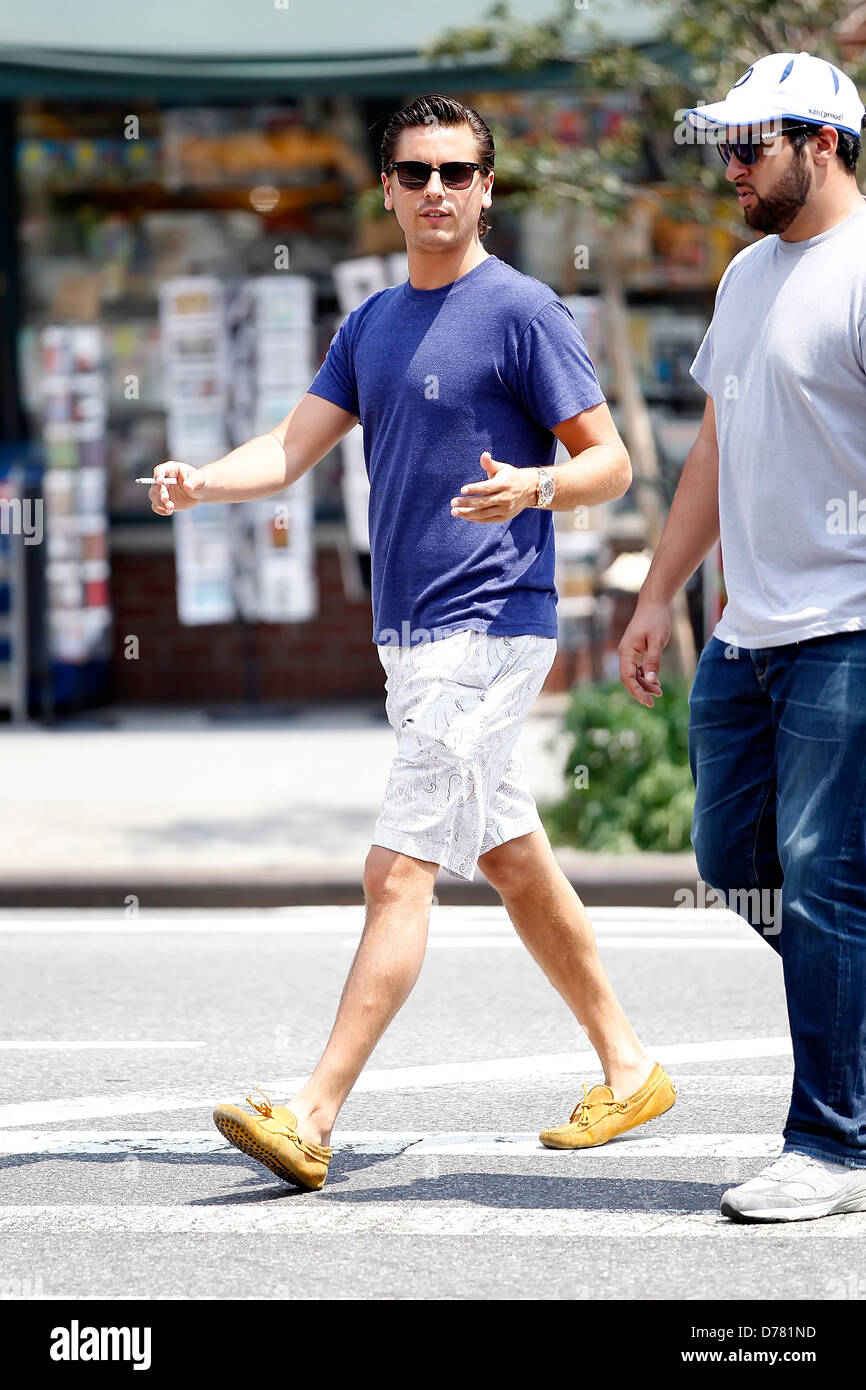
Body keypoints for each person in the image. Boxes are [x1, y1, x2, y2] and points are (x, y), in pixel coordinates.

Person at [149, 94, 676, 1191]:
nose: (435, 188)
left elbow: (611, 464)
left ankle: (312, 1113)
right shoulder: (370, 326)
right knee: (507, 856)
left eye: (455, 171)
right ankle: (629, 1067)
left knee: (397, 871)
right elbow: (289, 451)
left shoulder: (524, 311)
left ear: (487, 187)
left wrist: (535, 485)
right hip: (413, 635)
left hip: (488, 623)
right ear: (386, 190)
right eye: (414, 171)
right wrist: (201, 481)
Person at [619, 52, 866, 1223]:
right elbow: (714, 449)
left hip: (846, 629)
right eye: (720, 145)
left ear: (821, 144)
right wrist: (654, 594)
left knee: (823, 883)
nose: (727, 167)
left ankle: (827, 1143)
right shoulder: (745, 276)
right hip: (744, 633)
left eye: (748, 145)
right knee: (737, 867)